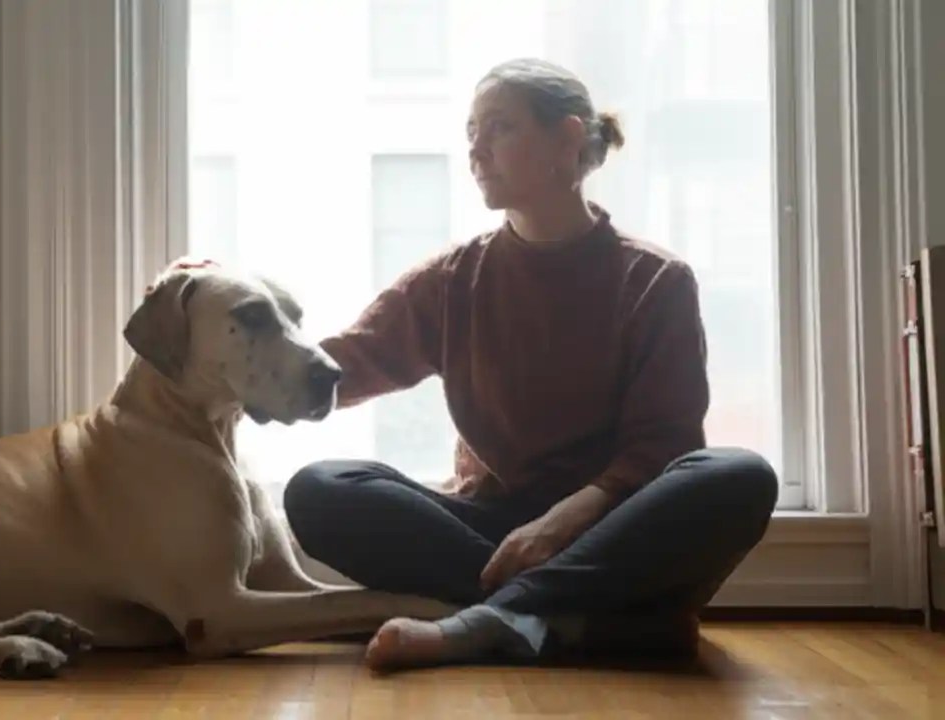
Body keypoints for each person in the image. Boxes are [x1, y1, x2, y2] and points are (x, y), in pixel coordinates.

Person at [282, 58, 779, 671]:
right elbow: (344, 365)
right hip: (492, 537)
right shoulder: (452, 280)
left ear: (567, 140)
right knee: (320, 489)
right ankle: (584, 623)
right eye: (470, 132)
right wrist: (228, 336)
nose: (476, 149)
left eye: (499, 128)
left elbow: (664, 444)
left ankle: (495, 618)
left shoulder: (654, 282)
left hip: (610, 532)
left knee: (740, 475)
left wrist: (564, 520)